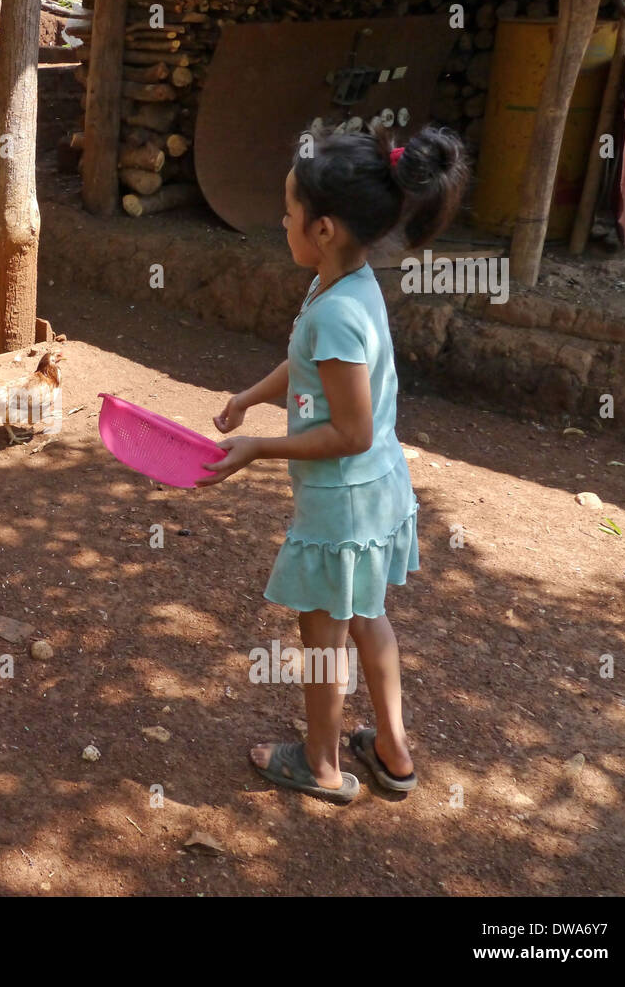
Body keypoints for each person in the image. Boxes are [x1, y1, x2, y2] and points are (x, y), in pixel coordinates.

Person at [197, 125, 469, 802]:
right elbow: (309, 367)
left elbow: (350, 429)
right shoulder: (348, 284)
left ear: (321, 228)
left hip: (341, 502)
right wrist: (254, 398)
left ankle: (320, 764)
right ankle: (392, 750)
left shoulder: (338, 312)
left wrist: (260, 447)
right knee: (367, 615)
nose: (281, 221)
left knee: (322, 639)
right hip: (374, 492)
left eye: (288, 213)